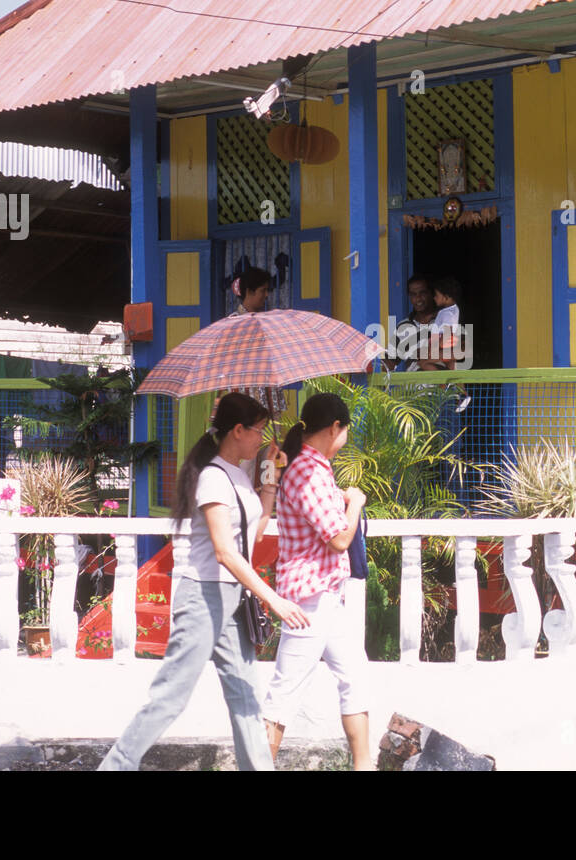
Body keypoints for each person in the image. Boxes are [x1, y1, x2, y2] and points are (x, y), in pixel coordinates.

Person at [99, 393, 311, 772]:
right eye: (257, 432)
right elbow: (225, 553)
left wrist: (270, 476)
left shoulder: (238, 475)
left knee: (246, 697)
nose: (261, 439)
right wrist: (273, 599)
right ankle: (115, 767)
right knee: (170, 698)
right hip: (203, 598)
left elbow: (255, 531)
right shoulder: (212, 477)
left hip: (232, 599)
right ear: (237, 430)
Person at [263, 392, 372, 770]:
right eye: (345, 431)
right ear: (334, 428)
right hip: (309, 600)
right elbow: (339, 538)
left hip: (327, 595)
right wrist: (355, 503)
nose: (345, 439)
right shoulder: (308, 472)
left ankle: (364, 765)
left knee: (354, 678)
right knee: (283, 695)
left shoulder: (313, 467)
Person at [224, 266, 287, 429]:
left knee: (272, 452)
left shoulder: (267, 321)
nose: (266, 295)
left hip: (270, 401)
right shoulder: (233, 324)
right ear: (249, 292)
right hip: (246, 404)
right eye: (263, 290)